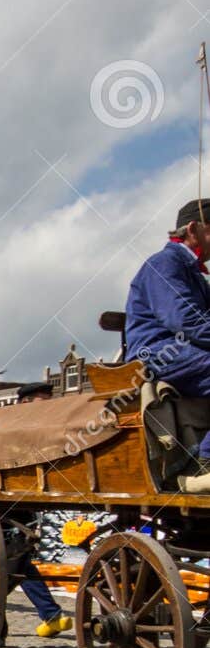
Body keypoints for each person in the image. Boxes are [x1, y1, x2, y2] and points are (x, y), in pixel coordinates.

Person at [0, 384, 72, 639]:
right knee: (10, 564)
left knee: (15, 563)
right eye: (42, 401)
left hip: (20, 504)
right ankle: (45, 615)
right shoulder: (1, 430)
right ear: (26, 402)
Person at [125, 197, 210, 490]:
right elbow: (185, 321)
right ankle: (204, 464)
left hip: (183, 348)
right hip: (156, 350)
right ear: (193, 229)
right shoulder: (164, 263)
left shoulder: (194, 274)